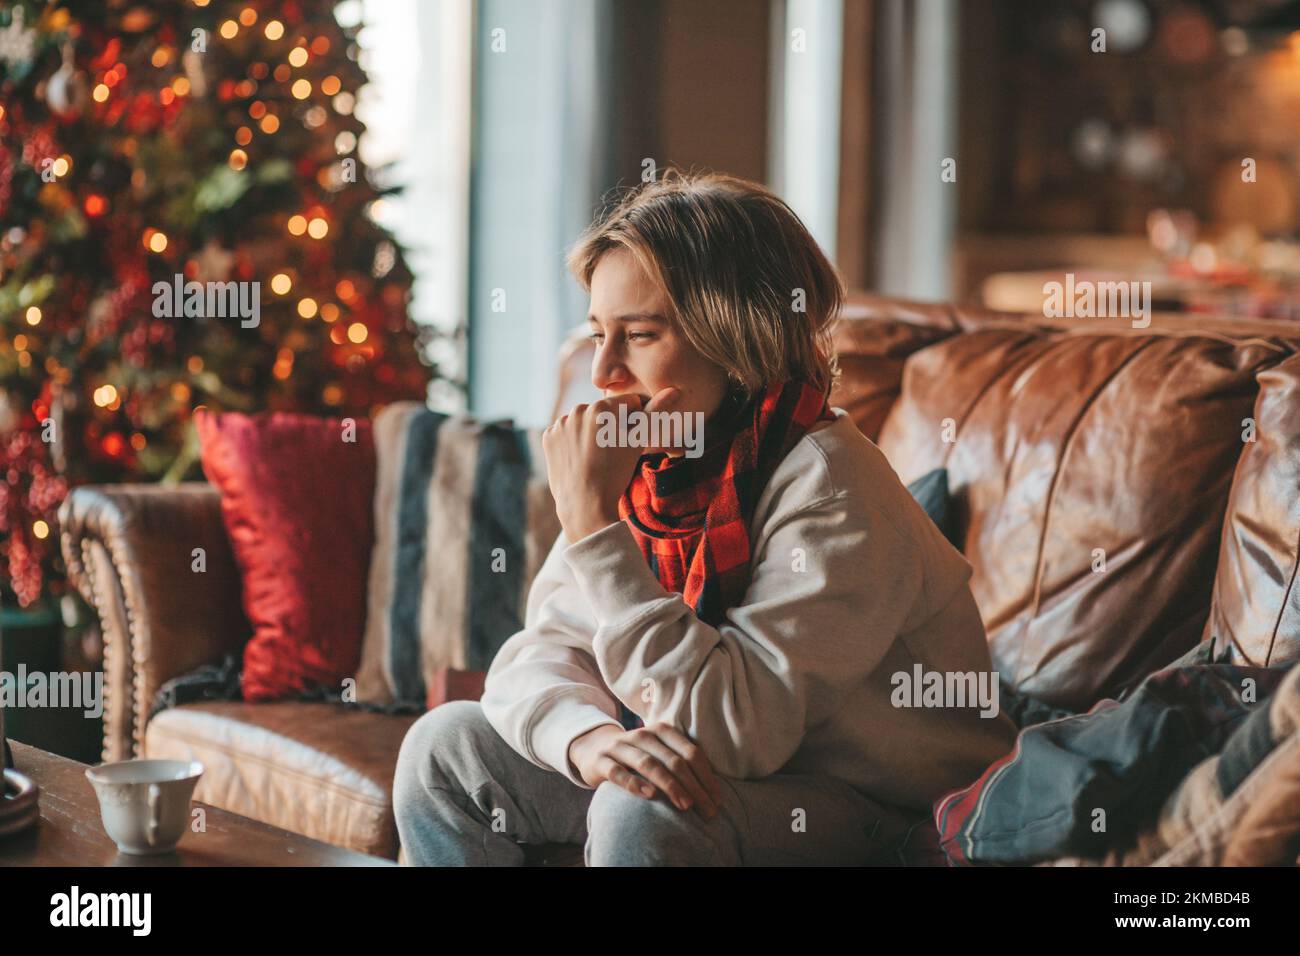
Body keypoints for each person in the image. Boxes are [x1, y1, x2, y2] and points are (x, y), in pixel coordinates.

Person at [392, 169, 1018, 866]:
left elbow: (734, 731)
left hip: (885, 811)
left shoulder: (830, 485)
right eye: (598, 332)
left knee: (646, 809)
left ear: (735, 340)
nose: (603, 372)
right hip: (738, 780)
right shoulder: (654, 470)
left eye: (639, 335)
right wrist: (590, 743)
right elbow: (538, 656)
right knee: (444, 748)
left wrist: (595, 530)